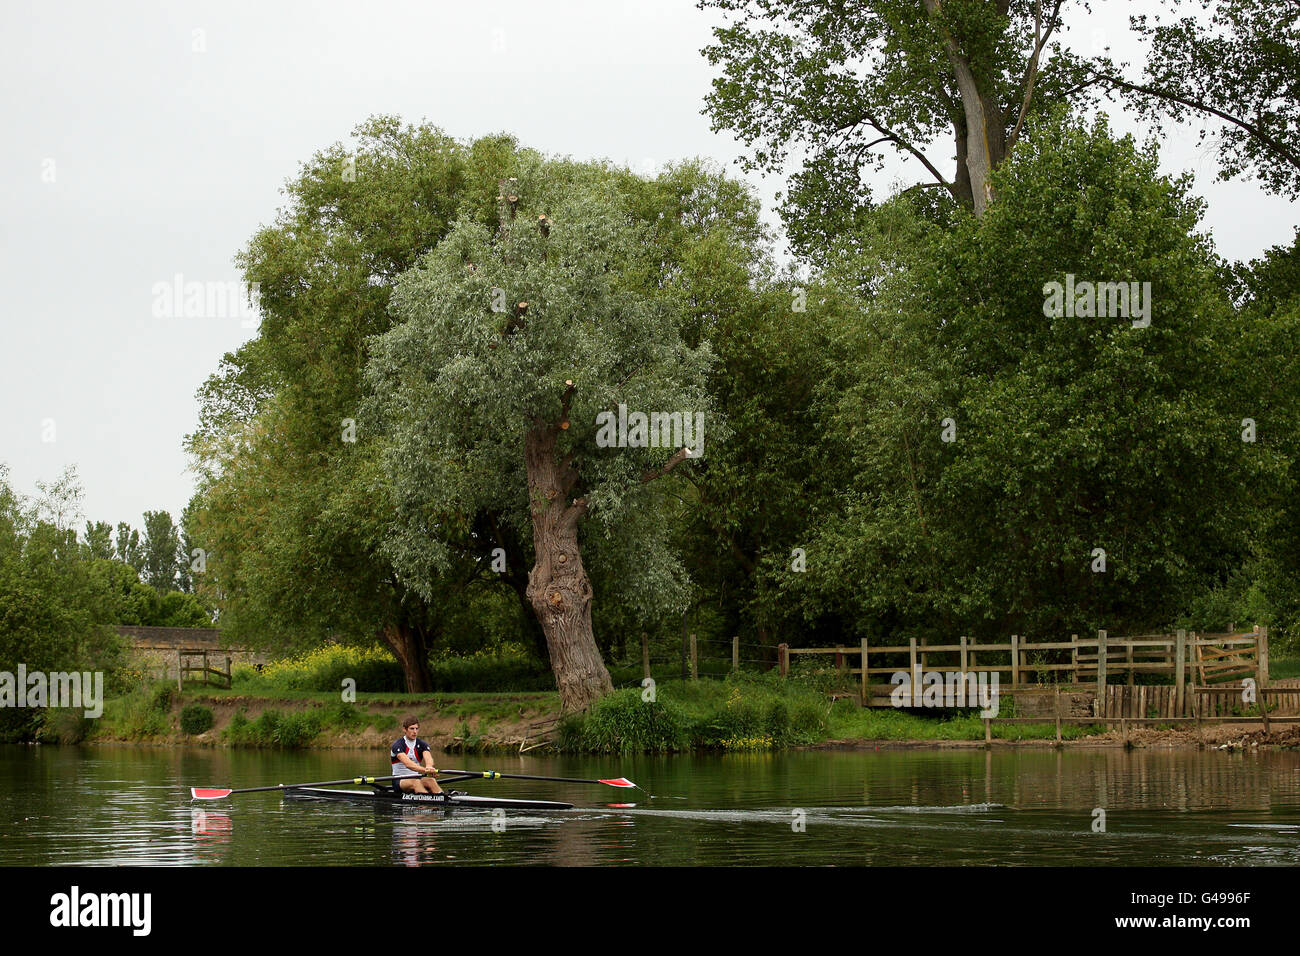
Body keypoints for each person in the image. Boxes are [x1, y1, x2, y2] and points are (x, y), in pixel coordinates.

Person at [390, 715, 449, 799]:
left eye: (416, 729)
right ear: (404, 729)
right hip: (399, 780)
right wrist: (425, 770)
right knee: (416, 782)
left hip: (416, 777)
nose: (415, 732)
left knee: (430, 780)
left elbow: (428, 758)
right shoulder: (398, 744)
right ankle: (427, 804)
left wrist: (429, 766)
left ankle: (443, 799)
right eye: (412, 728)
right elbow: (408, 764)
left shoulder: (422, 744)